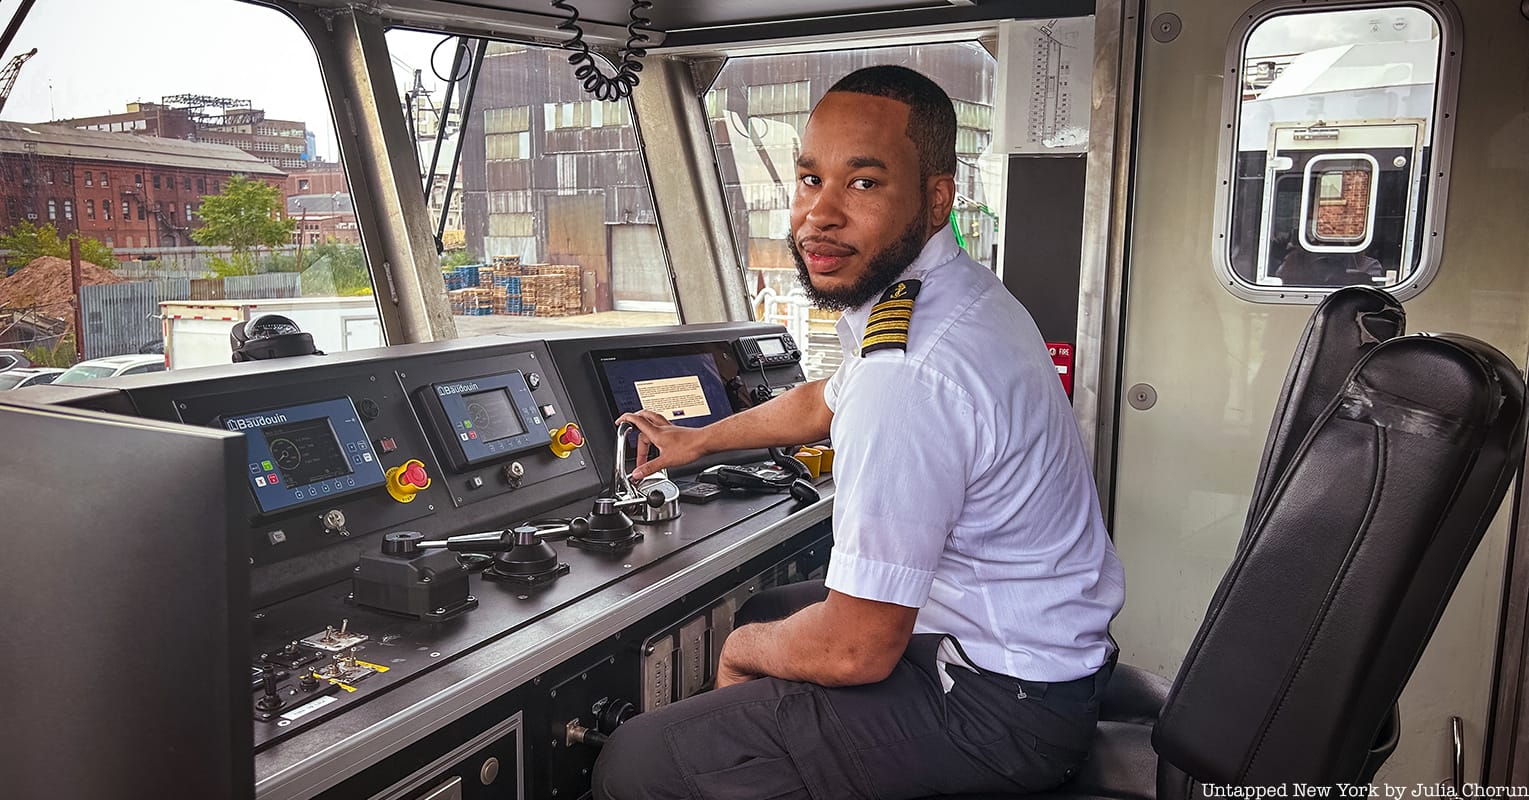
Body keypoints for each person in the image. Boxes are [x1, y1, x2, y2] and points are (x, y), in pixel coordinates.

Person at [592, 65, 1125, 799]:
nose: (820, 214)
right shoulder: (951, 296)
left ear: (935, 199)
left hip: (1001, 712)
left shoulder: (908, 372)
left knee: (640, 759)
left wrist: (742, 652)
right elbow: (824, 401)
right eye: (811, 179)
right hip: (1034, 658)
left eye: (864, 183)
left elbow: (854, 650)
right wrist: (699, 440)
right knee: (768, 610)